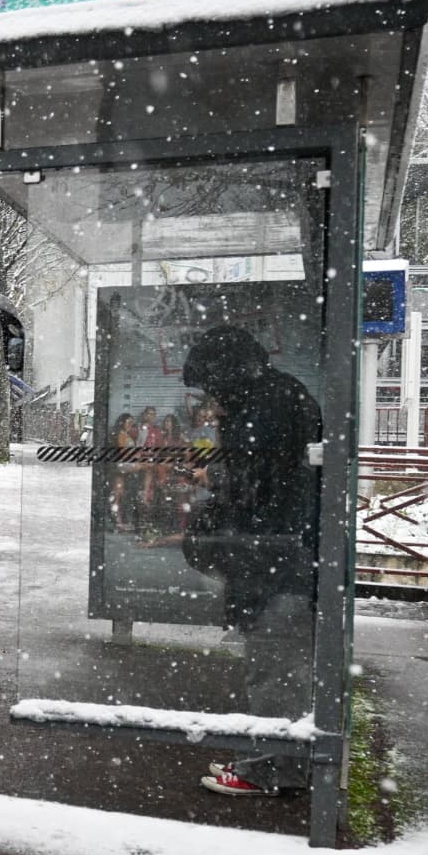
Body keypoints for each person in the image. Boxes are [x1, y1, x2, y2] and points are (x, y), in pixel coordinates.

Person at [172, 325, 323, 797]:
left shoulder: (263, 406)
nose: (211, 402)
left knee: (274, 668)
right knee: (279, 664)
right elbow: (268, 473)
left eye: (212, 390)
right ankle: (272, 757)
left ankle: (273, 768)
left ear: (226, 377)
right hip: (287, 555)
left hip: (276, 559)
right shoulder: (282, 394)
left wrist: (213, 481)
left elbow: (257, 484)